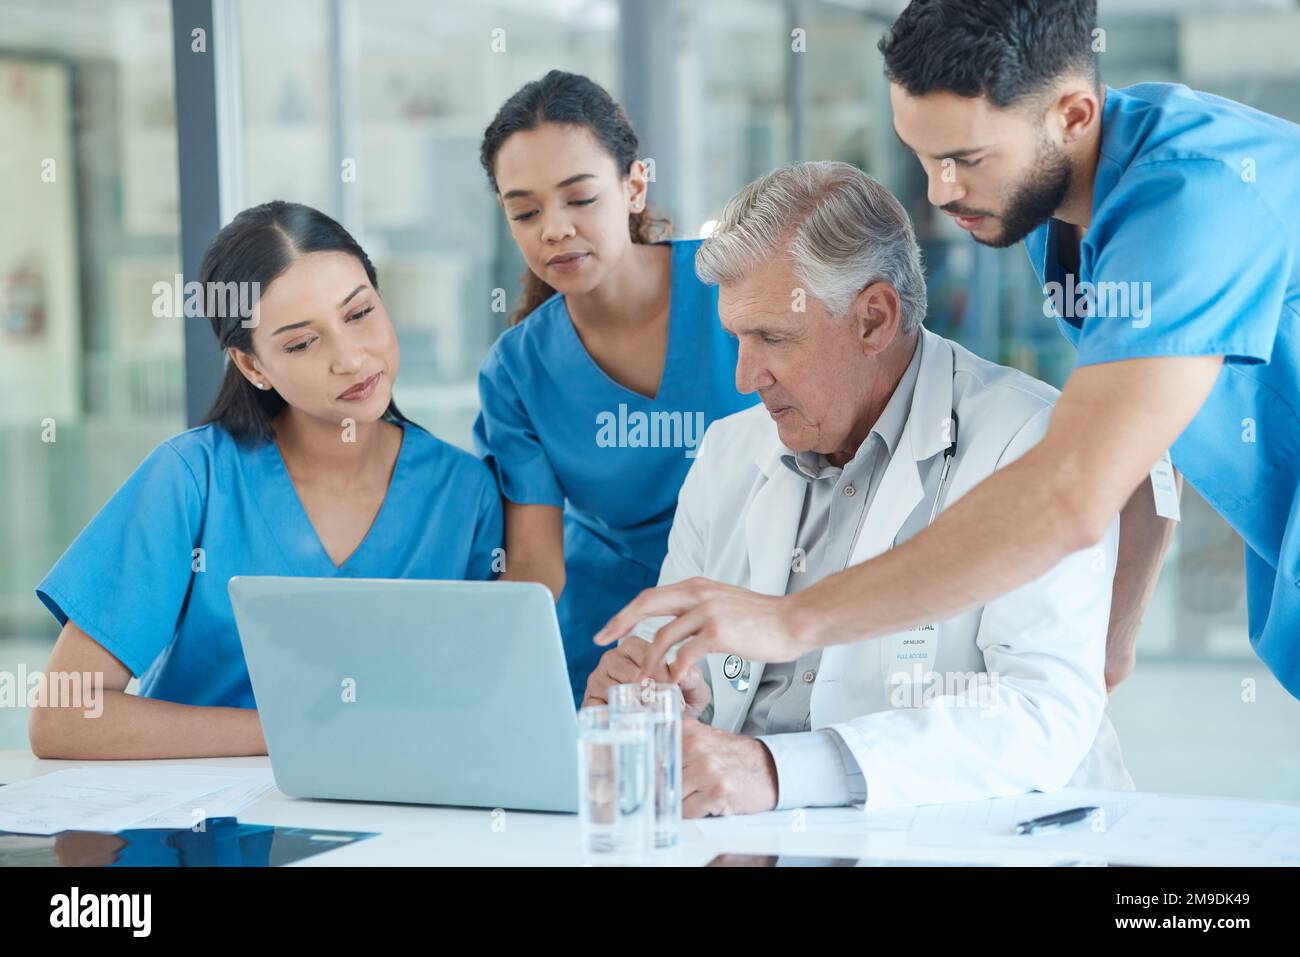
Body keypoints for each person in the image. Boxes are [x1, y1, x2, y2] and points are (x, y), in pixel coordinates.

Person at [599, 0, 1300, 703]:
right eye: (924, 157)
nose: (940, 193)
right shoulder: (1050, 199)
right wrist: (1113, 643)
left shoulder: (1190, 203)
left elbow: (1073, 492)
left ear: (1074, 116)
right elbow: (1144, 438)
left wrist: (792, 621)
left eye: (965, 159)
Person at [584, 162, 1130, 815]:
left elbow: (1042, 714)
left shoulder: (1029, 440)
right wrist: (658, 692)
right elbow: (693, 665)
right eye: (736, 338)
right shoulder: (731, 450)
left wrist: (779, 770)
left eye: (772, 338)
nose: (743, 375)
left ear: (874, 318)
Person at [30, 201, 503, 759]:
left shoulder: (466, 493)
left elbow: (488, 694)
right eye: (303, 343)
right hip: (202, 828)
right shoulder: (191, 481)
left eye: (359, 314)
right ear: (252, 366)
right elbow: (64, 716)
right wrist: (298, 736)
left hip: (392, 818)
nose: (351, 359)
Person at [474, 71, 756, 702]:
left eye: (579, 198)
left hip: (757, 611)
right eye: (525, 211)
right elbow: (535, 568)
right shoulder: (517, 370)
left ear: (633, 186)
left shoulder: (736, 291)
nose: (553, 228)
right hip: (608, 647)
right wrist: (473, 662)